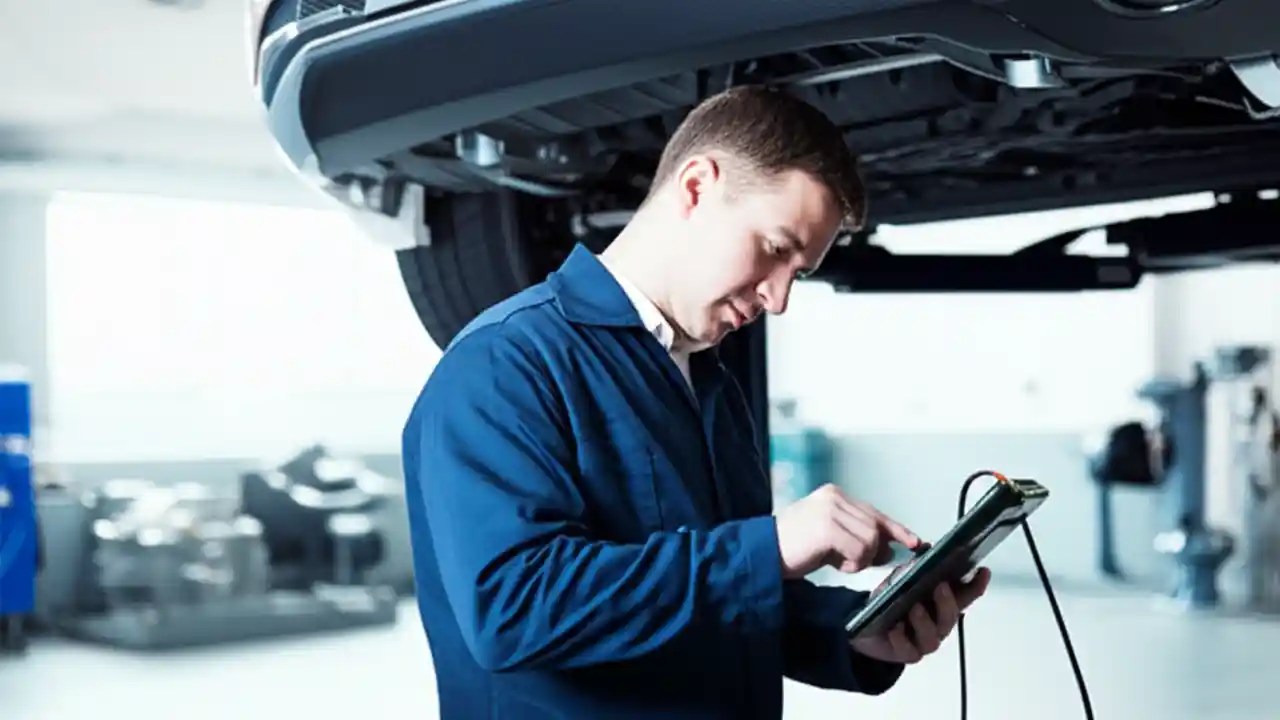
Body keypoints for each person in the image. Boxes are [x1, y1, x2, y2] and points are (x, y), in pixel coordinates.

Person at [401, 84, 991, 719]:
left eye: (798, 272)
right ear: (696, 188)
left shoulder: (708, 382)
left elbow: (709, 600)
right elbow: (512, 610)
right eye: (775, 249)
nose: (778, 299)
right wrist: (768, 549)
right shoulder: (505, 362)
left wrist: (853, 633)